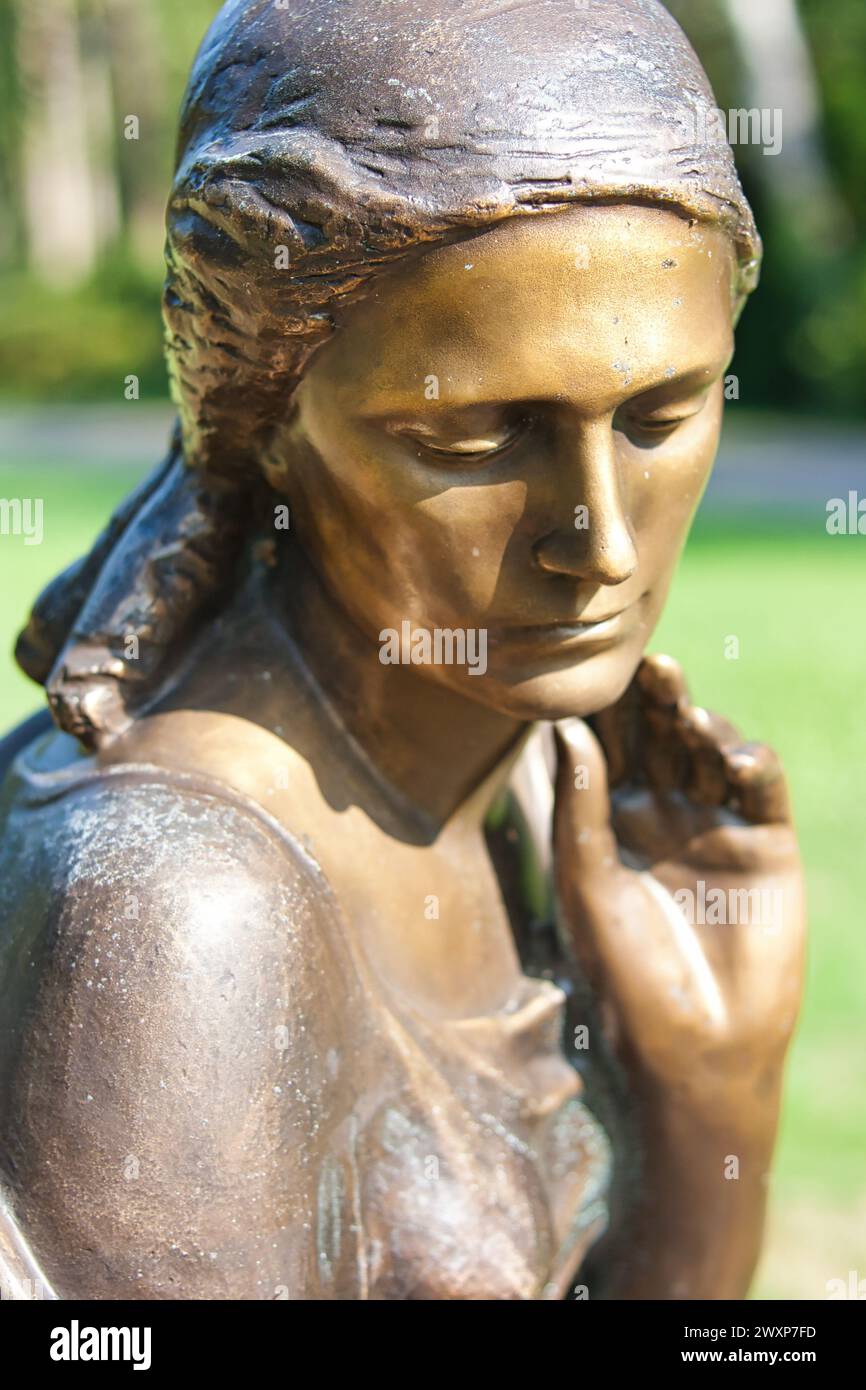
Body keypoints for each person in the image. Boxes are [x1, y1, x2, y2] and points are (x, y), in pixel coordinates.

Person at [0, 0, 804, 1300]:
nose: (599, 543)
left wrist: (715, 1096)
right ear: (264, 416)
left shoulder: (541, 776)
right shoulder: (182, 915)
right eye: (475, 439)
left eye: (660, 416)